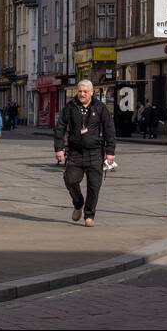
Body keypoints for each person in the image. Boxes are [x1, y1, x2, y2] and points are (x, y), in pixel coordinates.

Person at [53, 79, 115, 227]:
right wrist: (59, 148)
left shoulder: (100, 108)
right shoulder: (70, 107)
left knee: (94, 187)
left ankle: (89, 215)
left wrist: (110, 151)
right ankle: (78, 202)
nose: (82, 94)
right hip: (75, 153)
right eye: (79, 91)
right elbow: (60, 127)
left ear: (92, 92)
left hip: (95, 153)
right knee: (70, 180)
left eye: (85, 91)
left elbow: (109, 129)